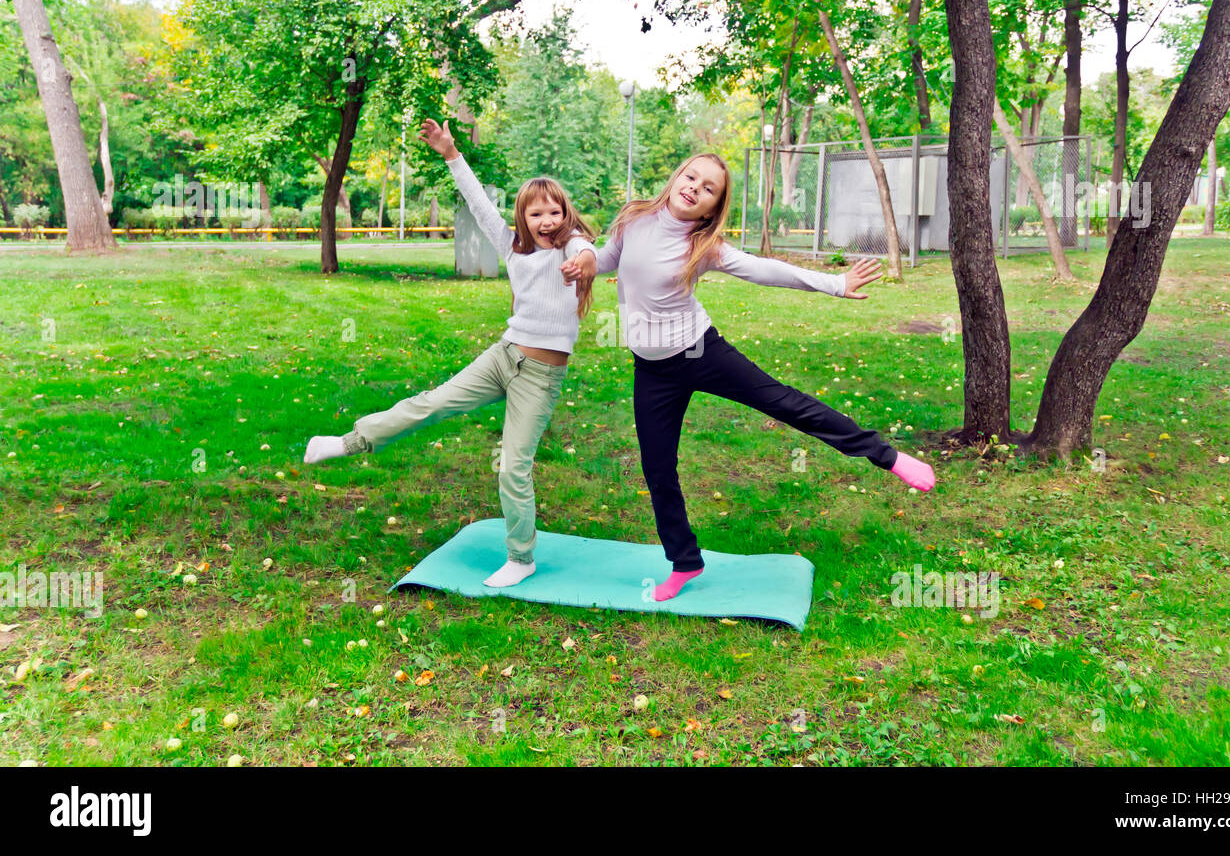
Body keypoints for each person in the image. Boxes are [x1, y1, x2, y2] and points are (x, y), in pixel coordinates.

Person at [561, 153, 935, 601]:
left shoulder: (705, 245)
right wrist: (585, 265)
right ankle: (685, 562)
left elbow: (765, 270)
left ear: (711, 208)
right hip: (652, 369)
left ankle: (886, 456)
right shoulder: (634, 219)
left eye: (709, 189)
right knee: (657, 467)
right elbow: (608, 260)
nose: (695, 187)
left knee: (784, 402)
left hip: (699, 351)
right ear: (676, 175)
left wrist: (834, 284)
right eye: (691, 176)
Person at [304, 120, 597, 588]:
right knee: (431, 402)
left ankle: (521, 558)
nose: (547, 222)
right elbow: (480, 205)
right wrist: (449, 152)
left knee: (515, 464)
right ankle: (350, 442)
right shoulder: (514, 248)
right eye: (537, 214)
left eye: (555, 213)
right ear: (524, 218)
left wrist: (581, 262)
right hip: (504, 356)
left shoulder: (577, 247)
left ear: (566, 215)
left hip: (540, 375)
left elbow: (588, 254)